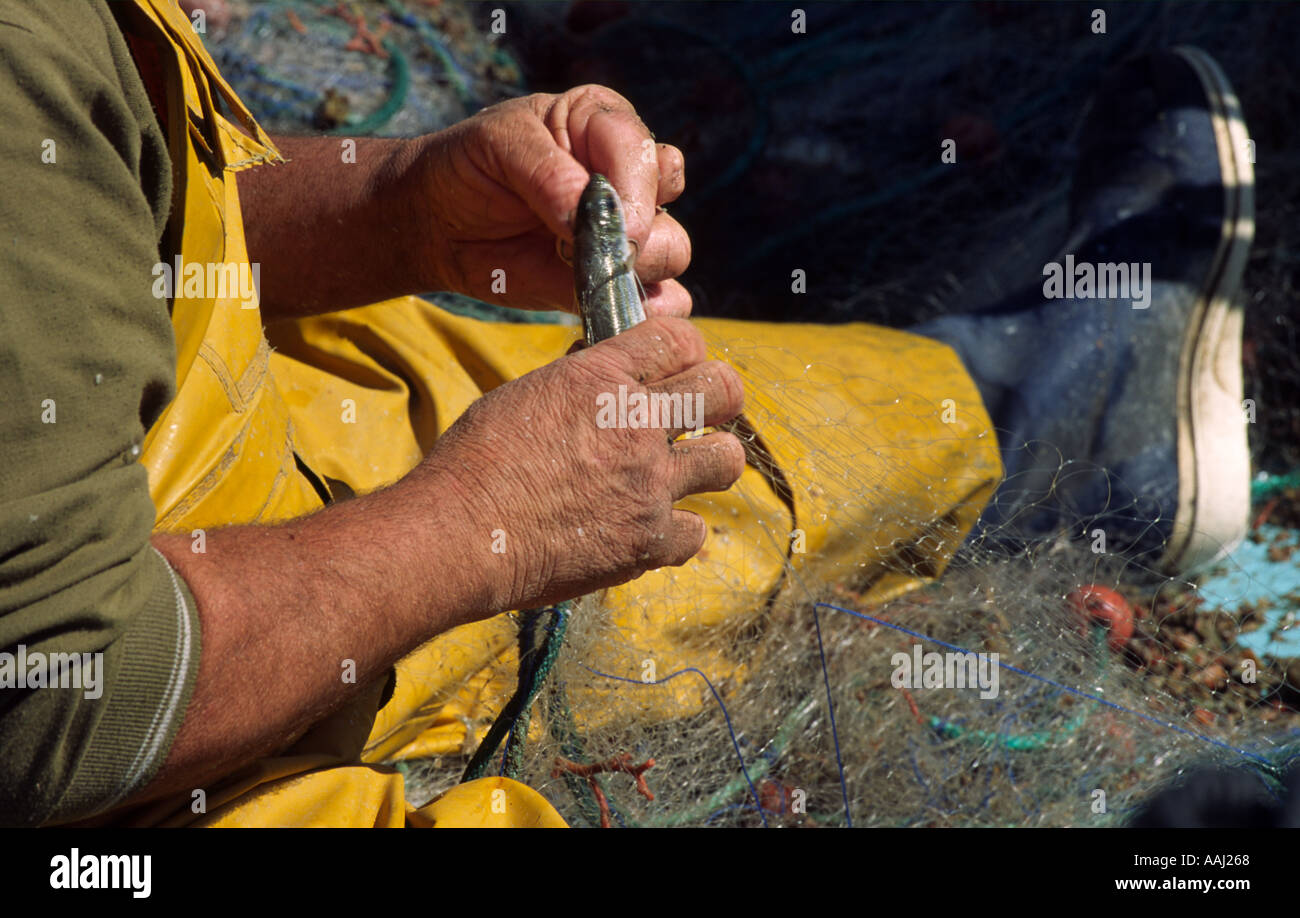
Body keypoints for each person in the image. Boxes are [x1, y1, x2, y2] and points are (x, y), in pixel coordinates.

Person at [0, 0, 1245, 828]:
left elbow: (114, 205)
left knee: (559, 393)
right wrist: (480, 528)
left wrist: (398, 206)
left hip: (201, 450)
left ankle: (1045, 420)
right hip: (138, 774)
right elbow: (61, 696)